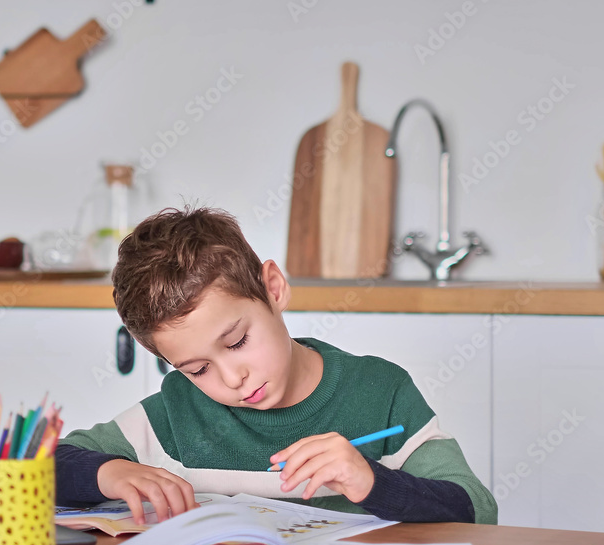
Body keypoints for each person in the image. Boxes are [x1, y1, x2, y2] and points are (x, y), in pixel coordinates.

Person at [55, 207, 497, 526]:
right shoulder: (173, 414)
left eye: (237, 342)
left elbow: (478, 509)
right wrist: (109, 473)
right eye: (197, 369)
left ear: (273, 288)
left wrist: (373, 482)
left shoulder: (382, 393)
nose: (233, 378)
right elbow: (43, 466)